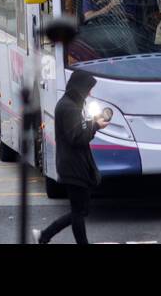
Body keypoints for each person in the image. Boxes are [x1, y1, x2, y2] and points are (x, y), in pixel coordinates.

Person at [37, 71, 108, 244]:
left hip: (74, 165)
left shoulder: (71, 105)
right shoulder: (69, 107)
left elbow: (78, 129)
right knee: (79, 212)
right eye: (89, 89)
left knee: (80, 211)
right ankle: (44, 235)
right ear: (81, 88)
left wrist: (92, 122)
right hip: (73, 166)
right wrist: (95, 126)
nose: (90, 93)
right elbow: (77, 137)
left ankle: (45, 236)